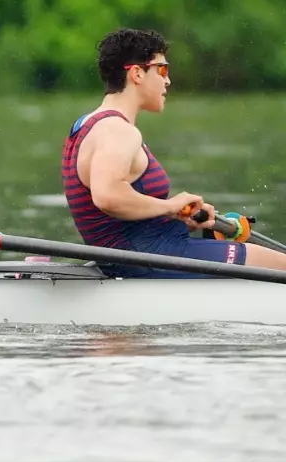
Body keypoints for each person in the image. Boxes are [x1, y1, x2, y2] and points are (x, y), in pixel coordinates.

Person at [62, 28, 286, 276]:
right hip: (148, 259)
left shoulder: (86, 124)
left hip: (142, 254)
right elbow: (108, 197)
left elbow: (120, 216)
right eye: (162, 69)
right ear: (136, 73)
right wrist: (169, 207)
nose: (167, 80)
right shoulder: (118, 131)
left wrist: (178, 215)